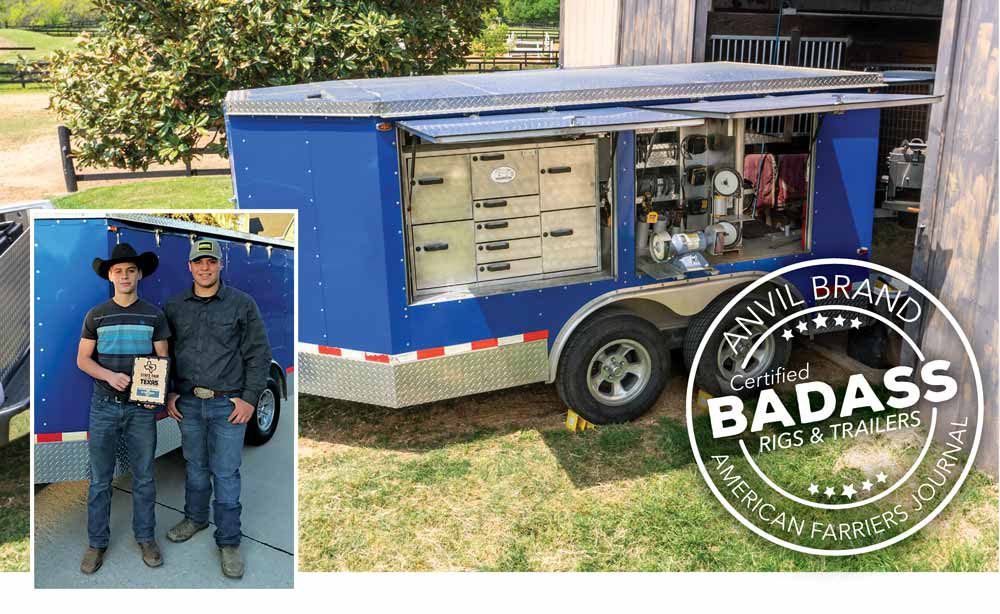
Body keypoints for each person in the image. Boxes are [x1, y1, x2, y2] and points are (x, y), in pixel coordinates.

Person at [164, 238, 272, 579]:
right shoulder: (174, 306)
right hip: (189, 404)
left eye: (211, 262)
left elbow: (257, 354)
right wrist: (168, 394)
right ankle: (195, 518)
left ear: (220, 265)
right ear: (190, 267)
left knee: (225, 473)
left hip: (228, 404)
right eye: (199, 262)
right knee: (195, 466)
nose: (205, 268)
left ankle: (228, 541)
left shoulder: (242, 305)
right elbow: (164, 355)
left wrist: (250, 399)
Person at [76, 243, 170, 574]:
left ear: (140, 274)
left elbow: (162, 359)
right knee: (100, 480)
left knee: (144, 477)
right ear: (110, 276)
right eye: (118, 271)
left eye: (131, 270)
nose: (125, 275)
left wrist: (154, 394)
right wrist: (108, 375)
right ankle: (96, 543)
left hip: (141, 410)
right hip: (103, 407)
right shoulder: (96, 315)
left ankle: (146, 538)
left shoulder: (154, 315)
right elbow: (82, 360)